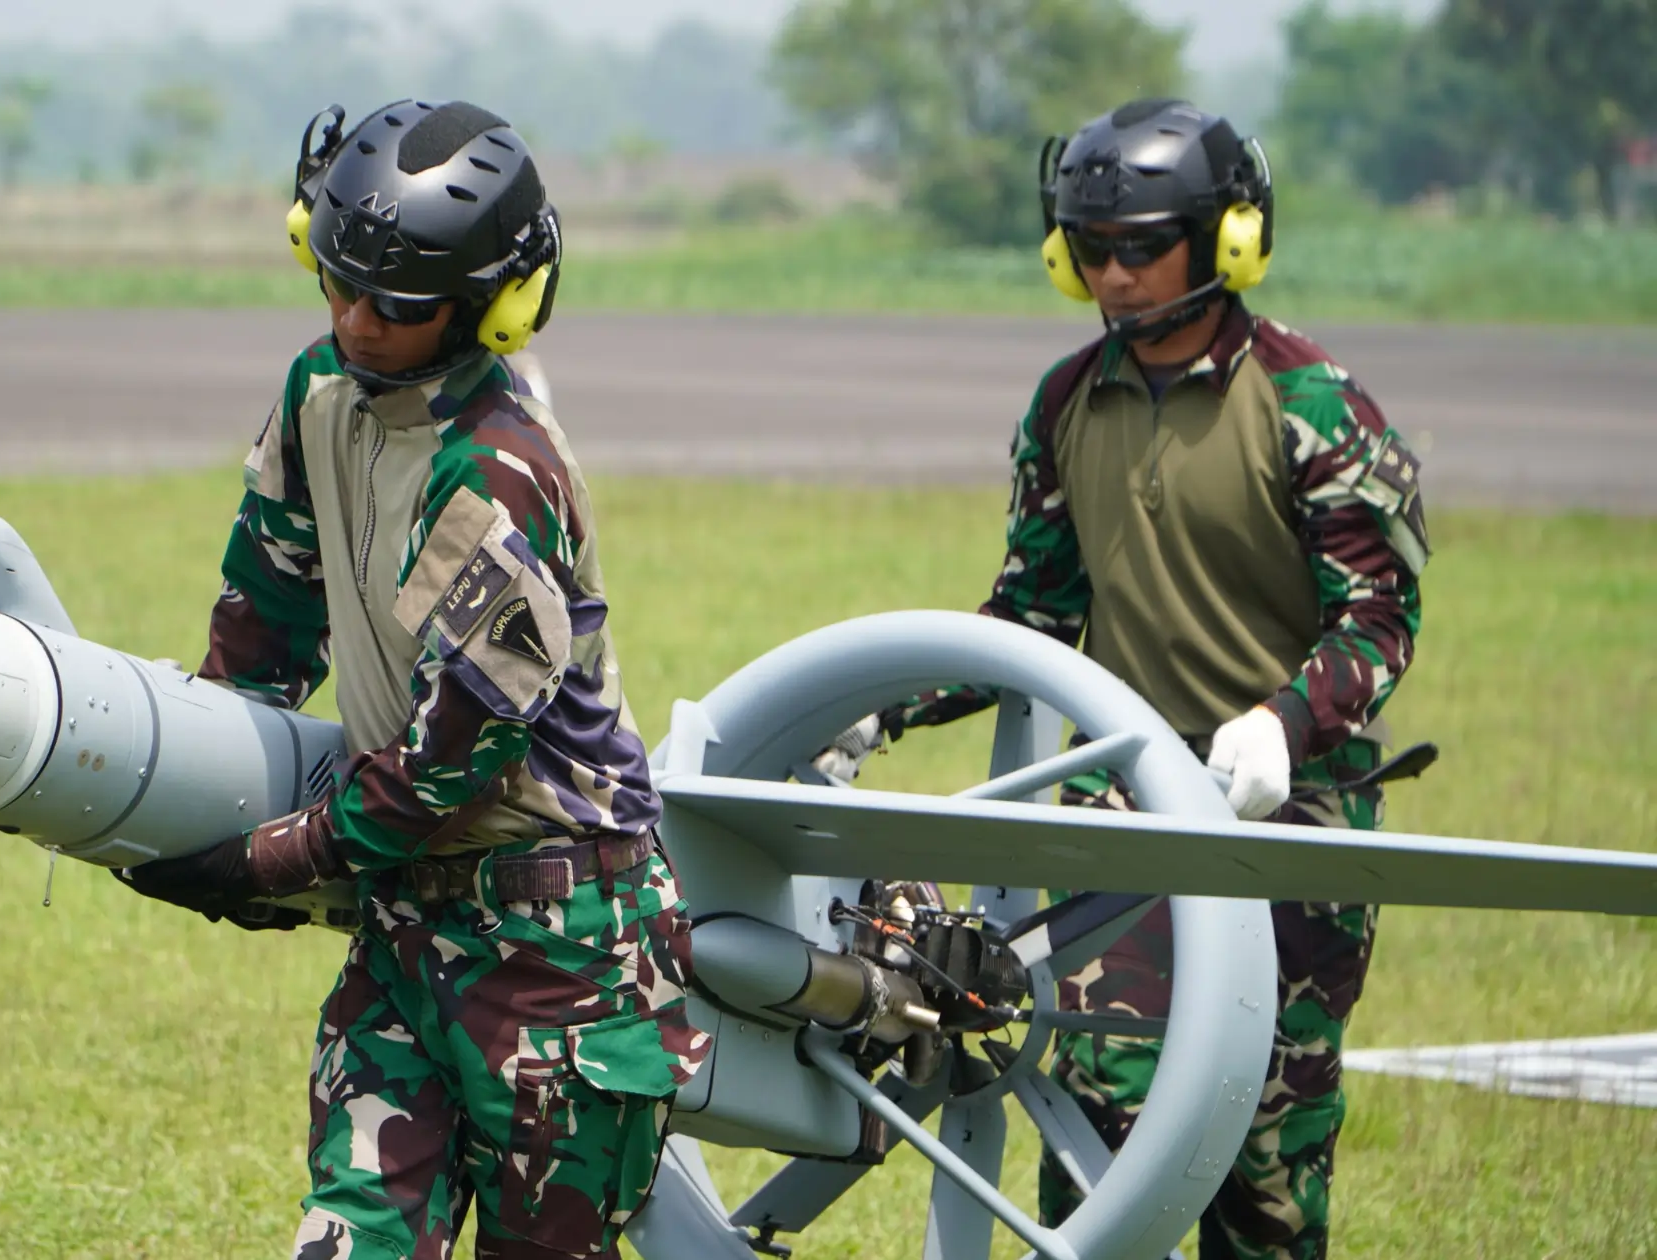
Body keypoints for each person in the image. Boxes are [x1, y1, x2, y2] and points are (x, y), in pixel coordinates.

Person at [816, 98, 1430, 1259]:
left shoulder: (1311, 407)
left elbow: (1377, 618)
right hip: (1120, 800)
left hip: (1287, 809)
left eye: (1141, 246)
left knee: (1262, 1134)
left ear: (1225, 240)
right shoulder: (1063, 404)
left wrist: (1282, 727)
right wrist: (867, 706)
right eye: (1088, 247)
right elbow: (1032, 616)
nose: (1112, 274)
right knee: (1094, 1118)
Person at [112, 99, 711, 1260]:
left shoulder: (497, 471)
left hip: (557, 947)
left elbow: (446, 765)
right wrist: (182, 783)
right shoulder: (318, 390)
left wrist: (264, 861)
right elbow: (266, 614)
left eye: (394, 304)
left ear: (494, 304)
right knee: (348, 1239)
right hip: (400, 923)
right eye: (334, 282)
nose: (353, 319)